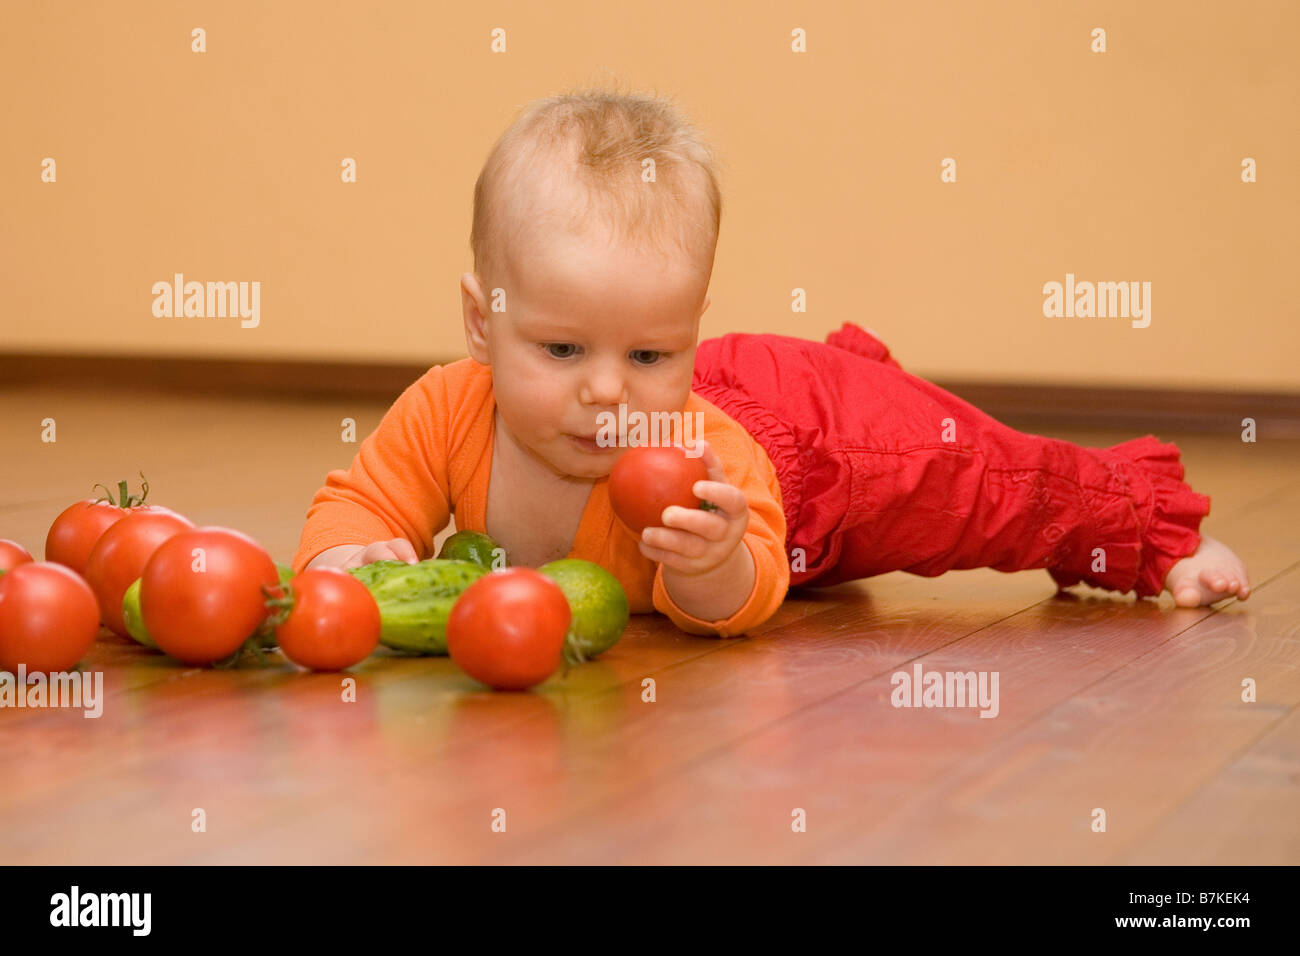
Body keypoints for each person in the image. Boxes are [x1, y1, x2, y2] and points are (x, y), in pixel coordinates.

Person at [292, 88, 1250, 638]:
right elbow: (356, 504)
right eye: (561, 348)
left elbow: (745, 600)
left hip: (820, 451)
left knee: (973, 478)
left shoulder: (698, 449)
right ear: (479, 322)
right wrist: (351, 557)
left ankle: (1141, 525)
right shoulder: (443, 410)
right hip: (775, 428)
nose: (607, 389)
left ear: (691, 336)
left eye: (651, 352)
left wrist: (712, 564)